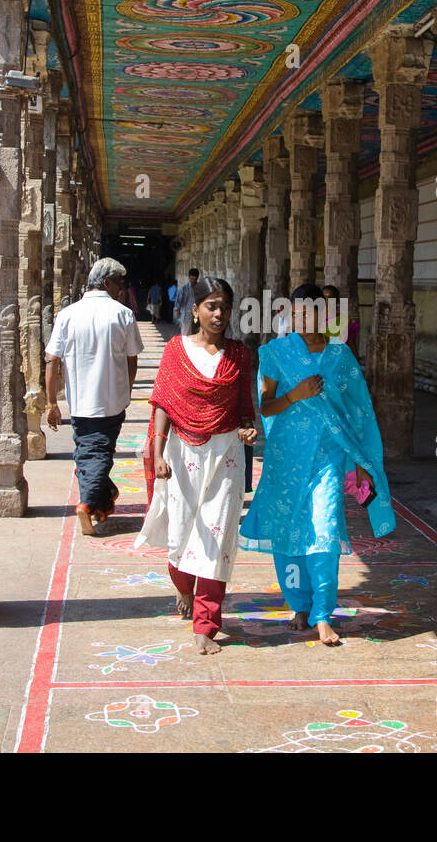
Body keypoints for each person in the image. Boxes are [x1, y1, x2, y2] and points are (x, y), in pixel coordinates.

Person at [240, 283, 395, 646]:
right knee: (287, 531)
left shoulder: (341, 356)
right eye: (296, 313)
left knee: (324, 528)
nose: (302, 319)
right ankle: (299, 604)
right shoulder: (275, 352)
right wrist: (295, 395)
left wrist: (361, 462)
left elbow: (359, 413)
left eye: (310, 312)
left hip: (329, 455)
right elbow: (265, 406)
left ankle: (324, 613)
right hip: (285, 457)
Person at [135, 276, 256, 655]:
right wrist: (157, 455)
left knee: (217, 539)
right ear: (196, 309)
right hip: (181, 454)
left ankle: (206, 623)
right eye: (211, 306)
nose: (219, 314)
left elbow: (244, 409)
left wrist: (249, 430)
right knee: (181, 535)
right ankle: (183, 585)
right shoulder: (176, 350)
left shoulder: (238, 354)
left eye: (225, 307)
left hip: (227, 454)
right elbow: (162, 405)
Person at [44, 258, 144, 534]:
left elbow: (51, 361)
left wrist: (52, 402)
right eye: (119, 283)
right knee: (99, 453)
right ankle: (87, 504)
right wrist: (128, 388)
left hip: (79, 400)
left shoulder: (67, 315)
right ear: (106, 283)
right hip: (112, 399)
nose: (122, 289)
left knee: (89, 450)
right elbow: (131, 358)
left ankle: (104, 499)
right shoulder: (122, 314)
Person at [321, 283, 360, 357]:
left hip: (339, 362)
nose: (326, 301)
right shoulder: (314, 321)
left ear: (337, 301)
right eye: (324, 298)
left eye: (330, 298)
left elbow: (352, 348)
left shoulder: (345, 322)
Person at [175, 267, 199, 335]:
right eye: (192, 279)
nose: (193, 281)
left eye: (195, 279)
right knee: (186, 335)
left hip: (197, 315)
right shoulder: (183, 289)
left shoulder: (200, 288)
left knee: (196, 334)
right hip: (186, 315)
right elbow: (178, 302)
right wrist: (178, 312)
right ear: (188, 277)